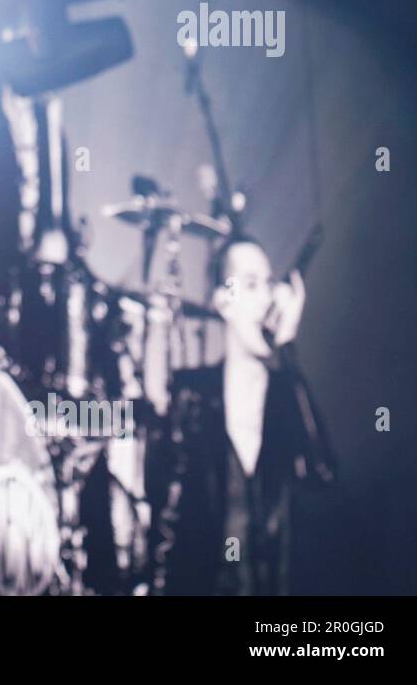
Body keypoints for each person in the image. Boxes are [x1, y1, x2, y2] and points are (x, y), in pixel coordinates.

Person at [146, 236, 336, 594]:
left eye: (268, 284)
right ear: (222, 301)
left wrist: (287, 349)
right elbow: (164, 526)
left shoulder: (287, 398)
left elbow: (320, 474)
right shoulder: (192, 396)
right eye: (250, 284)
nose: (266, 299)